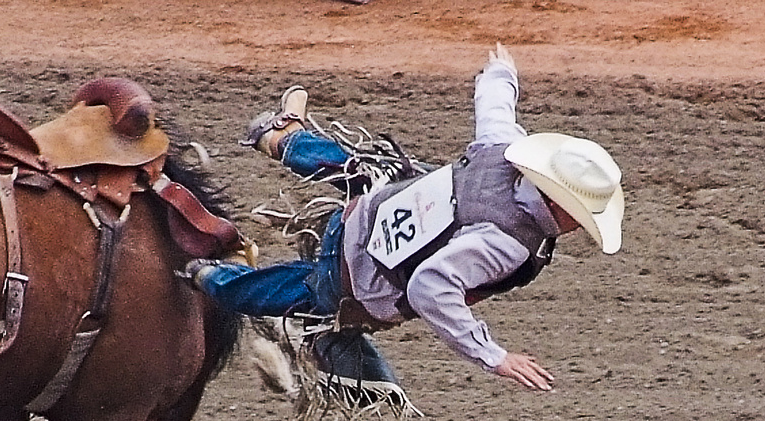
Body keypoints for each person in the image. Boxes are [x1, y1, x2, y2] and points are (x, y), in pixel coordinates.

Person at [187, 44, 623, 401]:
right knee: (297, 294)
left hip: (369, 207)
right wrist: (494, 356)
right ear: (564, 207)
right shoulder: (506, 244)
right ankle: (210, 276)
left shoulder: (501, 150)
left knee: (379, 169)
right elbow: (429, 286)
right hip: (358, 277)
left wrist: (500, 72)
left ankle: (282, 138)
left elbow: (495, 109)